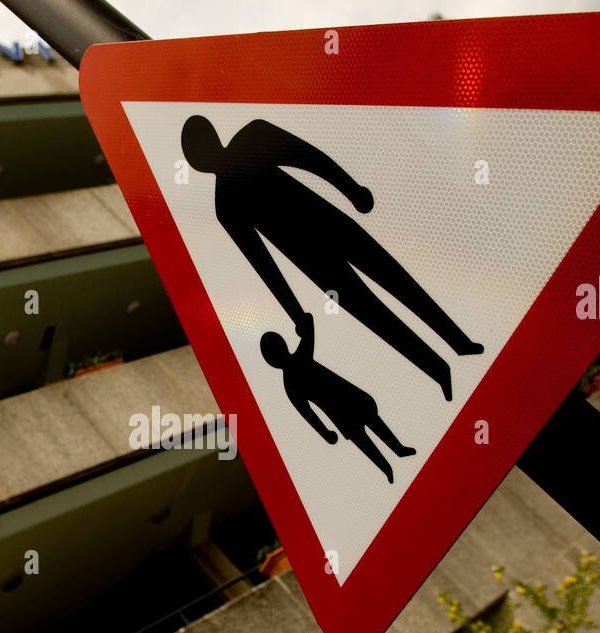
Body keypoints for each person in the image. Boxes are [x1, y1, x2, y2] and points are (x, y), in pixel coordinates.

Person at [182, 114, 483, 401]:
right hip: (317, 258)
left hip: (330, 231)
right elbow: (264, 265)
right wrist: (294, 312)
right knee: (381, 314)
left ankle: (456, 344)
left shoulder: (250, 141)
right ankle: (440, 368)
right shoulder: (227, 201)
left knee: (398, 285)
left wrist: (352, 190)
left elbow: (307, 157)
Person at [260, 314, 415, 483]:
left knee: (373, 428)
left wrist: (326, 433)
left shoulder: (294, 372)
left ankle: (395, 454)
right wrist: (325, 433)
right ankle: (388, 467)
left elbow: (308, 414)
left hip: (348, 401)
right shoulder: (293, 376)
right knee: (366, 439)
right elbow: (309, 415)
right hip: (342, 409)